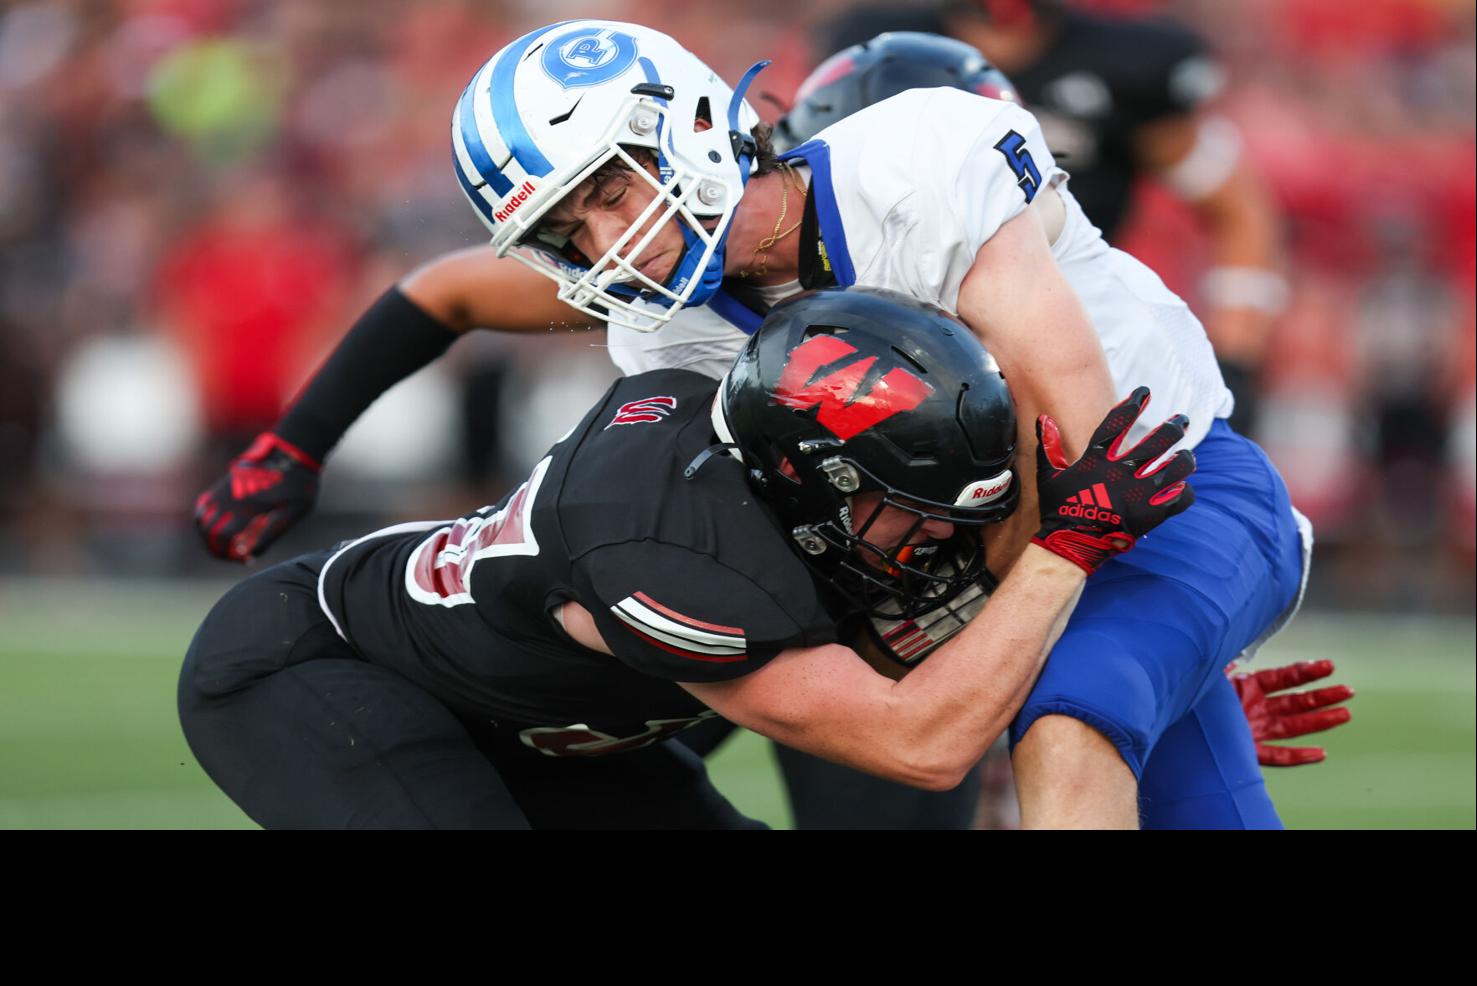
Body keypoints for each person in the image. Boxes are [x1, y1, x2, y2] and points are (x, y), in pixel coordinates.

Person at [197, 19, 1323, 828]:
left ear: (690, 121)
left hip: (1147, 492)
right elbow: (870, 598)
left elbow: (1080, 444)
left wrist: (1122, 649)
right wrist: (1107, 656)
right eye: (574, 228)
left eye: (614, 188)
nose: (609, 242)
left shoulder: (918, 159)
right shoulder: (664, 347)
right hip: (1006, 563)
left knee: (1070, 728)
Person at [178, 286, 1198, 828]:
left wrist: (1159, 698)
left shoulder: (785, 472)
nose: (938, 536)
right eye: (912, 509)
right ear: (817, 477)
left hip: (554, 724)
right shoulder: (671, 547)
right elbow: (915, 740)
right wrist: (1063, 550)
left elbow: (946, 648)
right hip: (325, 671)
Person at [817, 1, 1287, 433]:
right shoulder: (882, 50)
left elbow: (1238, 212)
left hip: (1074, 334)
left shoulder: (1126, 64)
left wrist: (1236, 354)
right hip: (900, 331)